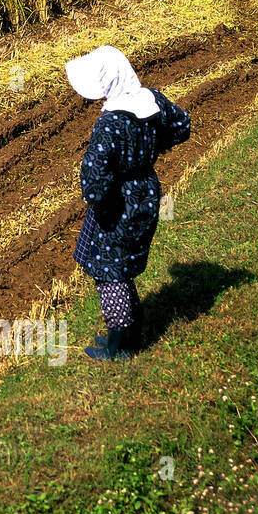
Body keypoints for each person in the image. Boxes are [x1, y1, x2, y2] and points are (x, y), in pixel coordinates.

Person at [65, 45, 191, 361]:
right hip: (146, 191)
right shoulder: (153, 101)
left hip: (118, 202)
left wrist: (95, 197)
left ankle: (118, 345)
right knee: (123, 262)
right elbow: (181, 127)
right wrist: (150, 150)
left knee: (109, 270)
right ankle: (130, 333)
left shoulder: (109, 124)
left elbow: (94, 173)